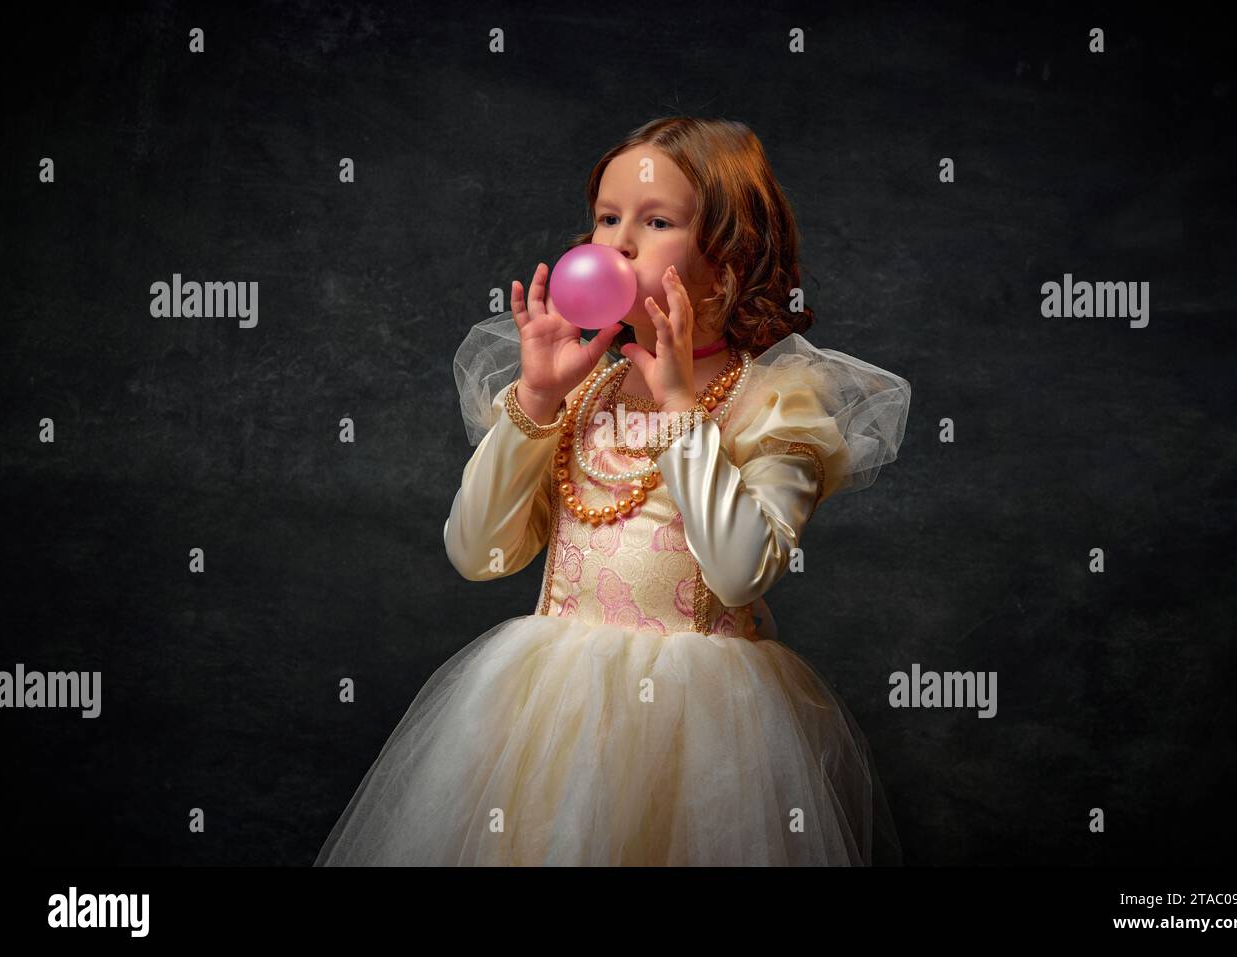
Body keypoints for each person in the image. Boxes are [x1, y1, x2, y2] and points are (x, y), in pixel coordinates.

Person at [315, 116, 911, 865]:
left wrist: (681, 419)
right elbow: (477, 553)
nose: (618, 243)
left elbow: (738, 572)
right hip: (544, 718)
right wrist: (534, 402)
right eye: (606, 218)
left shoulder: (775, 404)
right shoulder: (579, 392)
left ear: (729, 258)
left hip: (702, 731)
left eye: (656, 221)